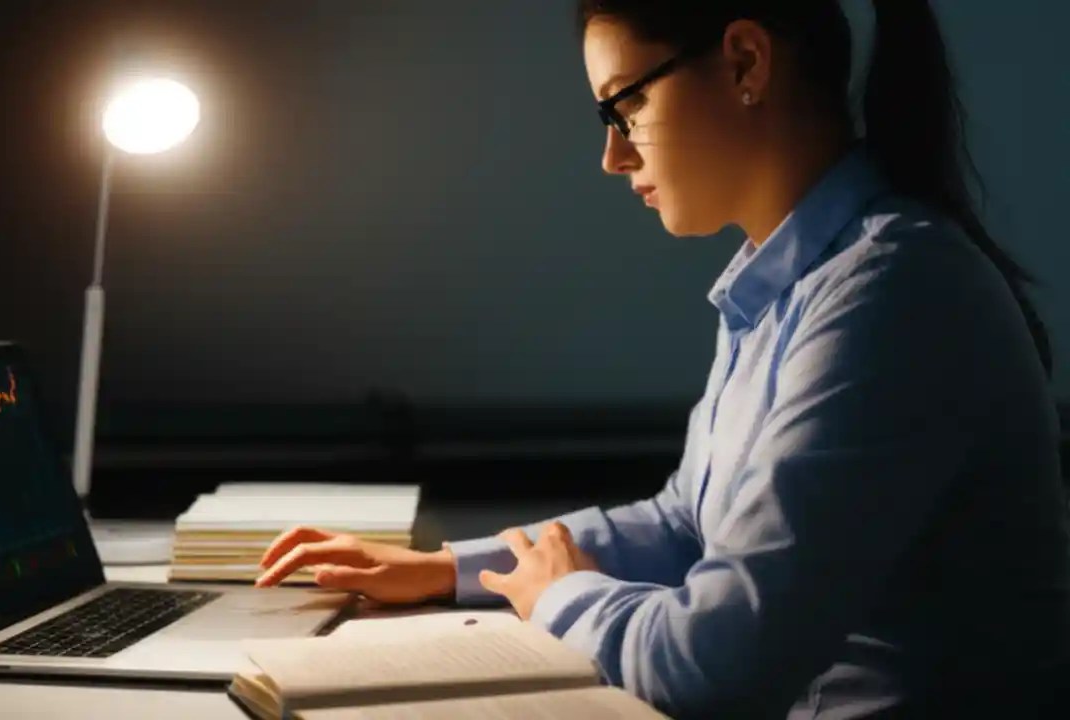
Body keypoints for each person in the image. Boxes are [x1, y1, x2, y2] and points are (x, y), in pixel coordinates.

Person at [254, 1, 1070, 717]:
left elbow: (715, 669)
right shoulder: (789, 285)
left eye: (625, 104)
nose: (614, 156)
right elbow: (685, 524)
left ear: (746, 61)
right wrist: (451, 570)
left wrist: (560, 597)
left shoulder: (893, 292)